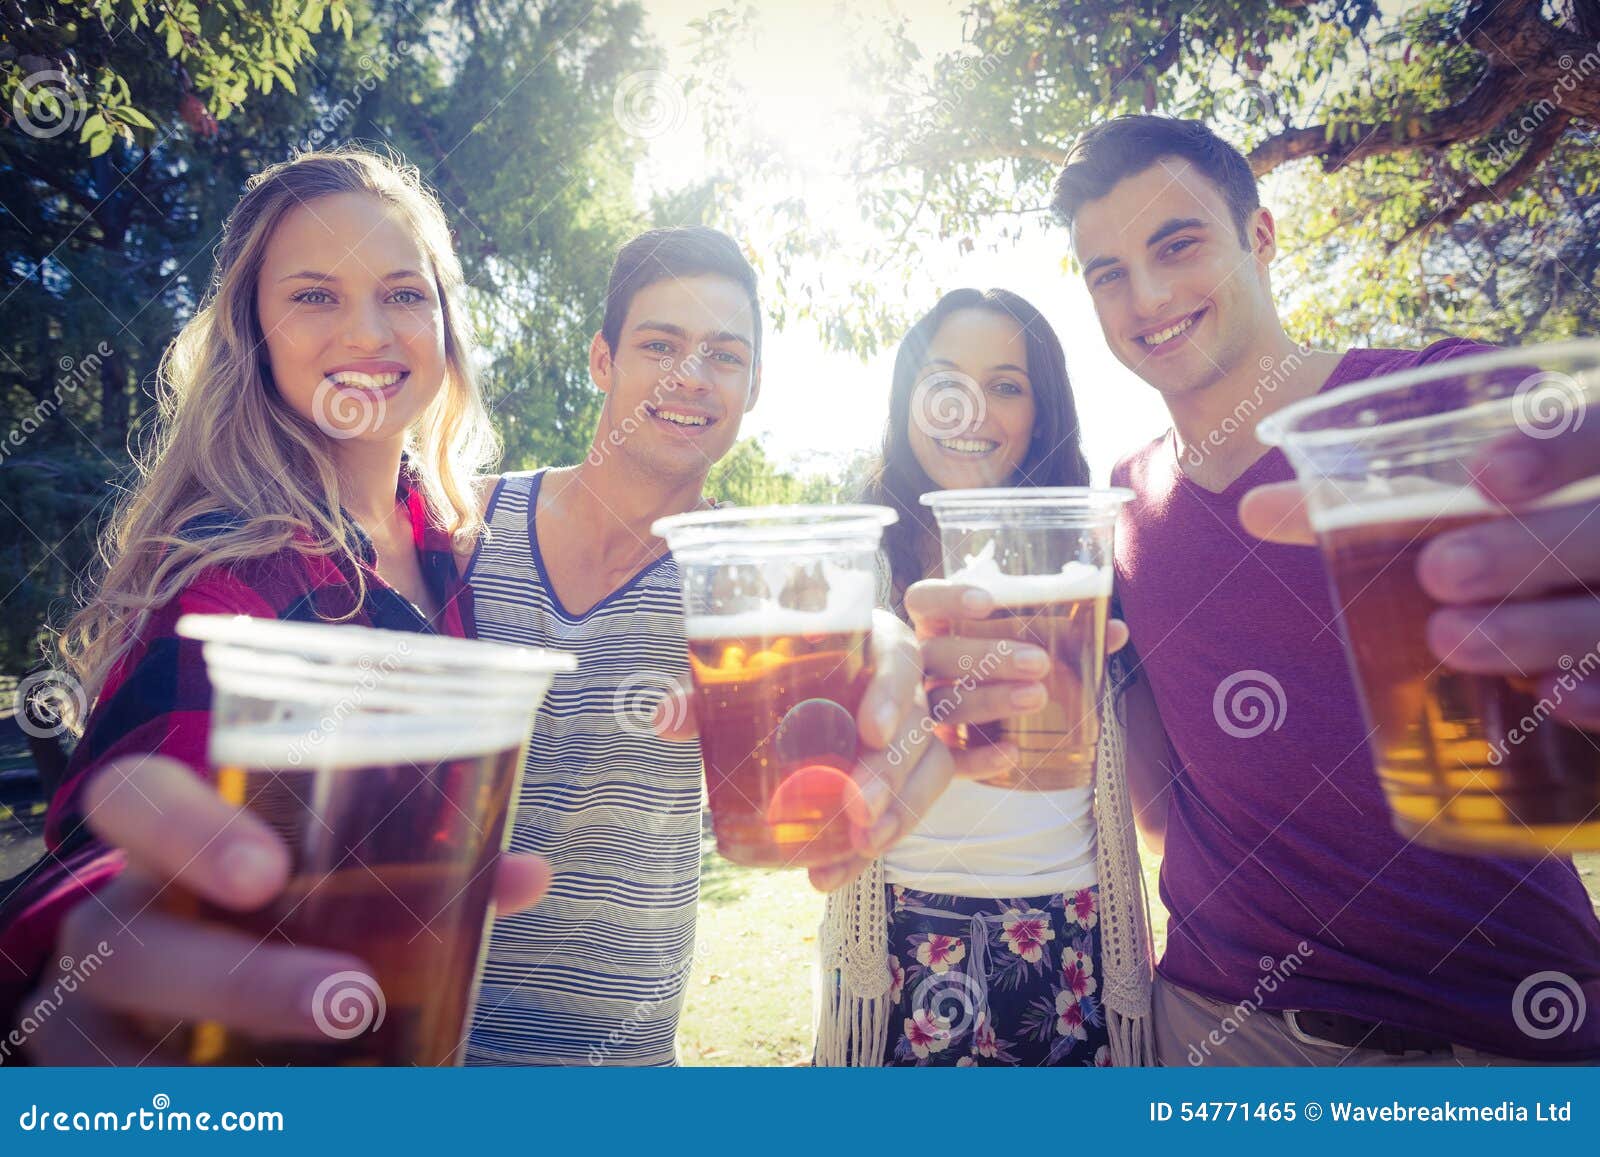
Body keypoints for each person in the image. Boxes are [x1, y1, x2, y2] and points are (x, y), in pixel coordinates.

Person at [1051, 114, 1600, 1064]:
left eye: (1178, 245)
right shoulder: (1120, 502)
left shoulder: (1436, 397)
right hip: (1230, 1031)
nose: (1147, 296)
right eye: (1109, 274)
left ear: (1260, 237)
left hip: (1514, 1025)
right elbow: (1157, 794)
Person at [0, 147, 555, 1061]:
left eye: (403, 293)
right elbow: (128, 835)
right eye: (314, 295)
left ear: (446, 326)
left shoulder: (446, 540)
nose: (368, 331)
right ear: (252, 333)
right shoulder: (229, 576)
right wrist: (90, 946)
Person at [458, 225, 958, 1065]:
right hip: (417, 1048)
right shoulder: (459, 525)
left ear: (753, 387)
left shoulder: (740, 582)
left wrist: (886, 645)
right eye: (660, 344)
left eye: (725, 356)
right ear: (602, 360)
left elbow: (842, 634)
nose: (691, 375)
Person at [815, 289, 1155, 1066]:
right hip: (892, 933)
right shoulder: (851, 562)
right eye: (945, 382)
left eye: (1005, 385)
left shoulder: (1092, 566)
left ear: (1041, 411)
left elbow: (1158, 804)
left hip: (1067, 927)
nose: (970, 409)